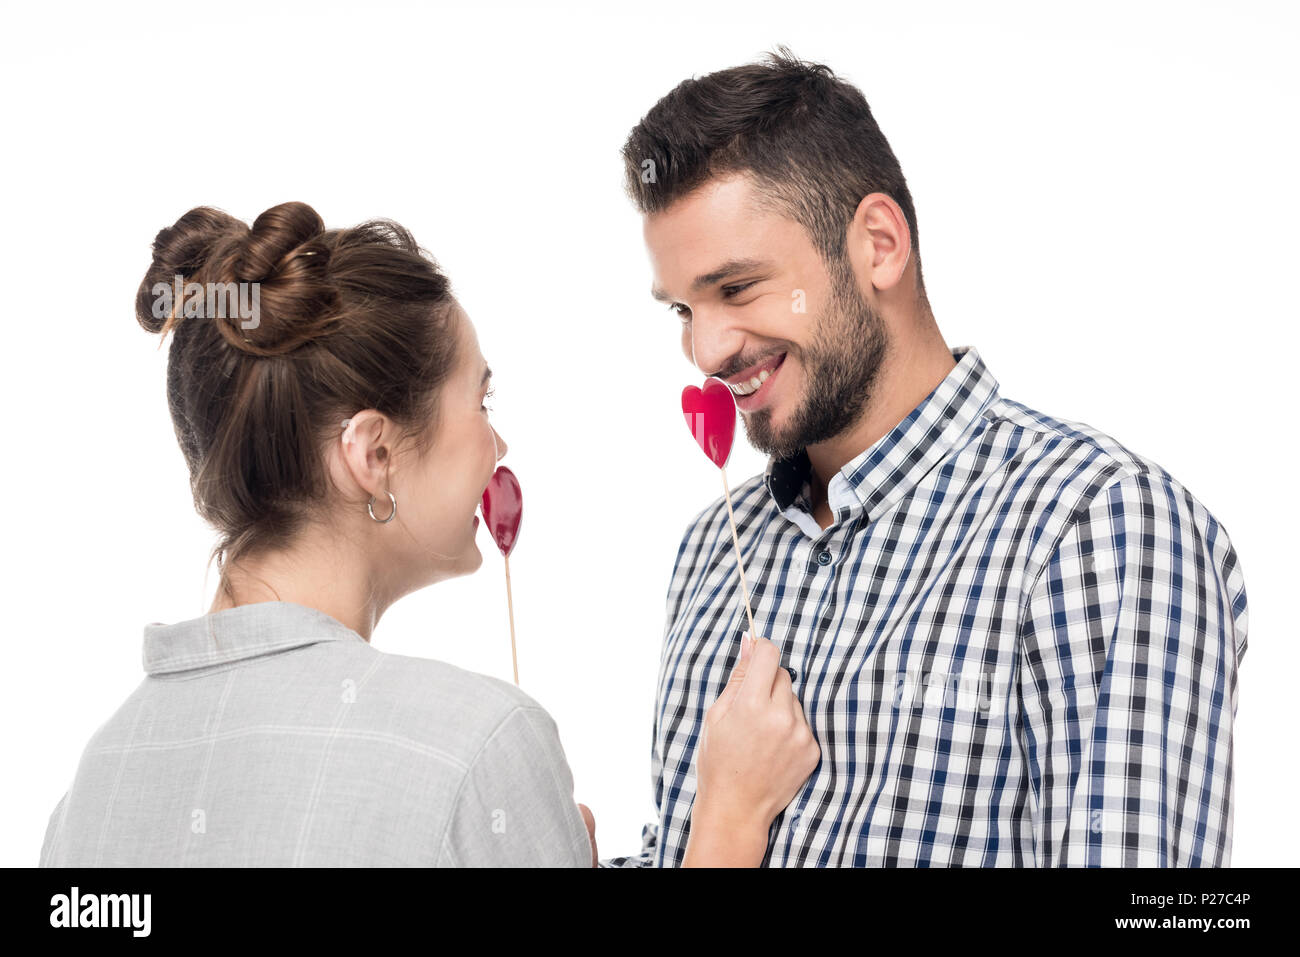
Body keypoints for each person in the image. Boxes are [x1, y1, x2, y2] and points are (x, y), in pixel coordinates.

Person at [605, 49, 1249, 867]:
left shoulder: (1100, 527)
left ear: (878, 244)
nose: (706, 349)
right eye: (683, 310)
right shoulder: (711, 551)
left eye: (738, 289)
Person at [39, 202, 819, 868]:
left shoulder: (90, 789)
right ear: (373, 453)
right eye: (481, 400)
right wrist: (728, 821)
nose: (498, 445)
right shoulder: (476, 743)